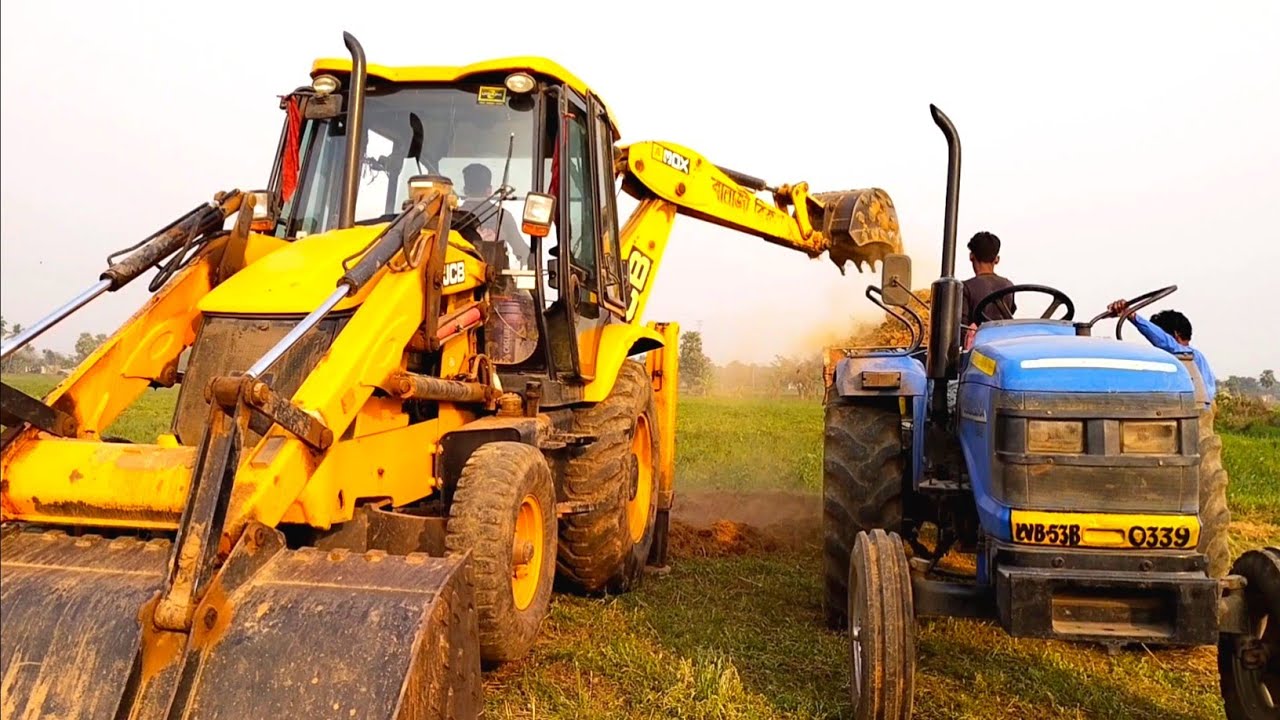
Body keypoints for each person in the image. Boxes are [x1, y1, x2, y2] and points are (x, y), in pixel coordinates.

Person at [1106, 300, 1217, 403]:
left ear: (1175, 334)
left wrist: (1132, 316)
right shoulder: (1196, 357)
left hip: (1199, 412)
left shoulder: (1187, 355)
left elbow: (1166, 342)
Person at [458, 163, 530, 267]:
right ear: (489, 191)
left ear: (465, 190)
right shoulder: (503, 216)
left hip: (460, 281)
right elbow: (523, 252)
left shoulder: (453, 218)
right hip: (498, 281)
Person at [958, 231, 1016, 350]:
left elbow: (962, 328)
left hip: (978, 351)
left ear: (971, 256)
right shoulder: (1009, 285)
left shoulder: (965, 287)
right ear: (997, 259)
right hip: (1004, 347)